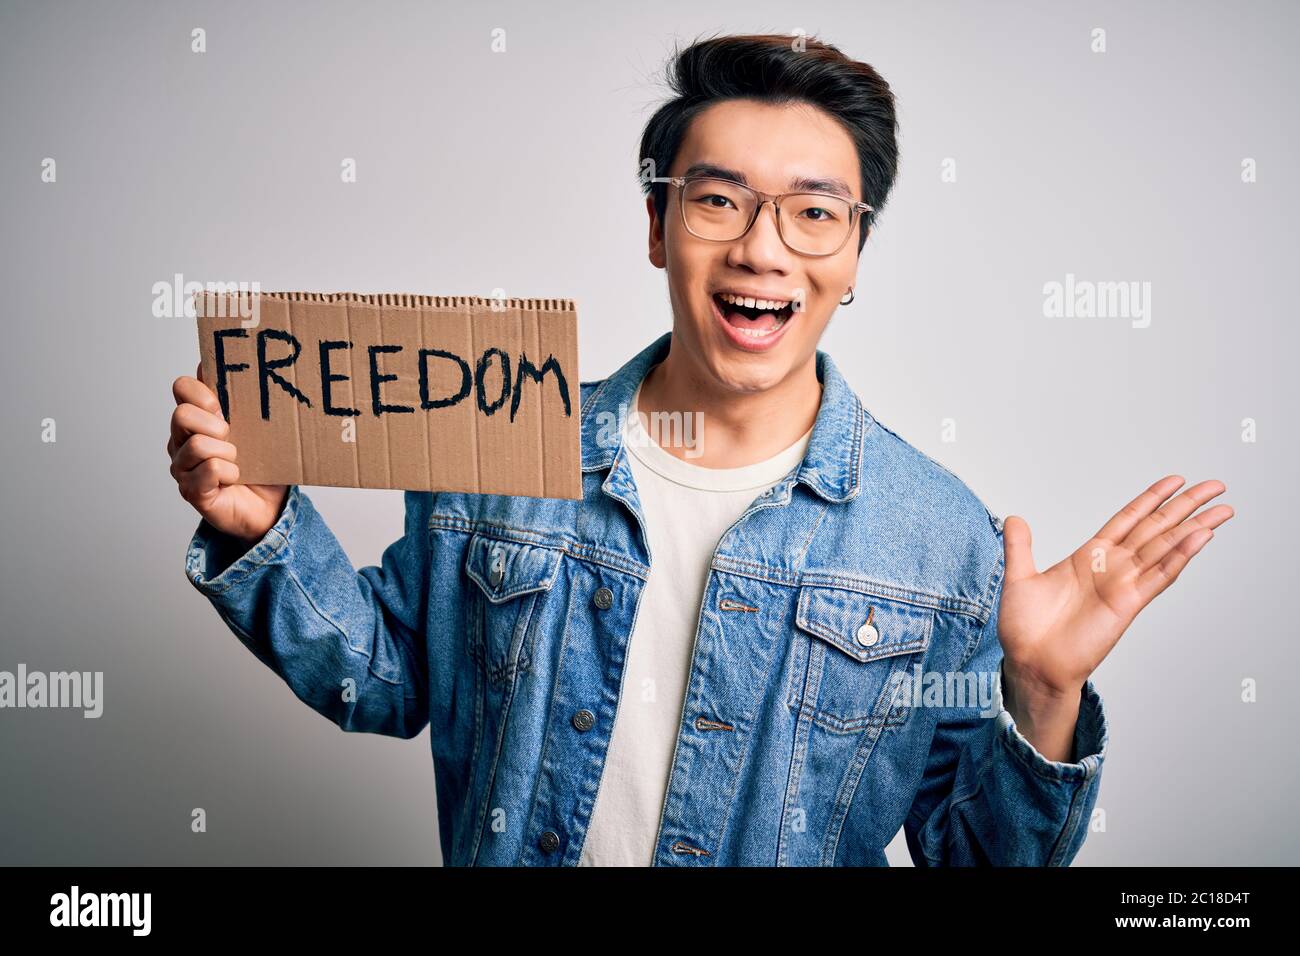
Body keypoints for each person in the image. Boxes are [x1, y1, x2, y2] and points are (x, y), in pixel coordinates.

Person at [168, 33, 1233, 866]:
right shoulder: (502, 435)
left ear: (855, 250)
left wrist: (1039, 692)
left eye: (815, 212)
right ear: (656, 225)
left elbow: (980, 858)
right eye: (718, 200)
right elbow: (386, 680)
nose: (761, 246)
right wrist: (268, 531)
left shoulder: (945, 539)